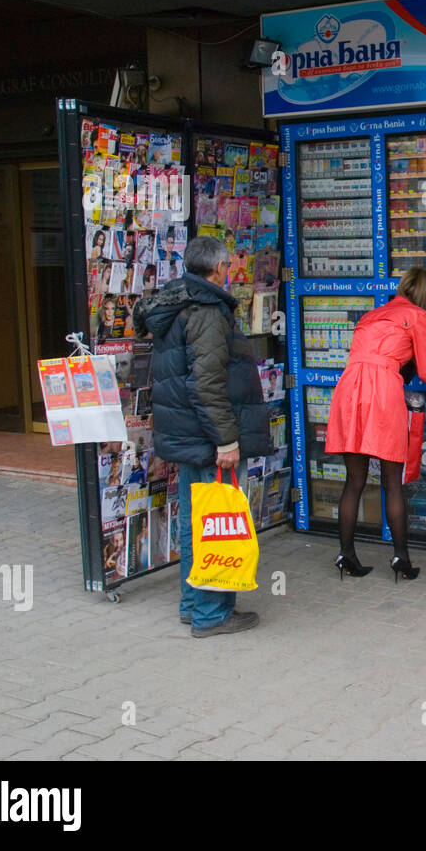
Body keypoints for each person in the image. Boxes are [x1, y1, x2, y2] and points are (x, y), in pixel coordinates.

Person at [135, 236, 271, 637]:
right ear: (219, 269)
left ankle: (193, 604)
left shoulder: (174, 304)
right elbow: (207, 383)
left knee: (197, 522)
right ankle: (212, 614)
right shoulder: (208, 311)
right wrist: (226, 441)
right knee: (218, 521)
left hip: (188, 434)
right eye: (228, 266)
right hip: (209, 437)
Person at [325, 266, 426, 581]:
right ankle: (401, 559)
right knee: (392, 481)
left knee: (354, 481)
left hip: (349, 387)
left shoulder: (371, 315)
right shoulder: (418, 316)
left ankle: (346, 554)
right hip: (383, 392)